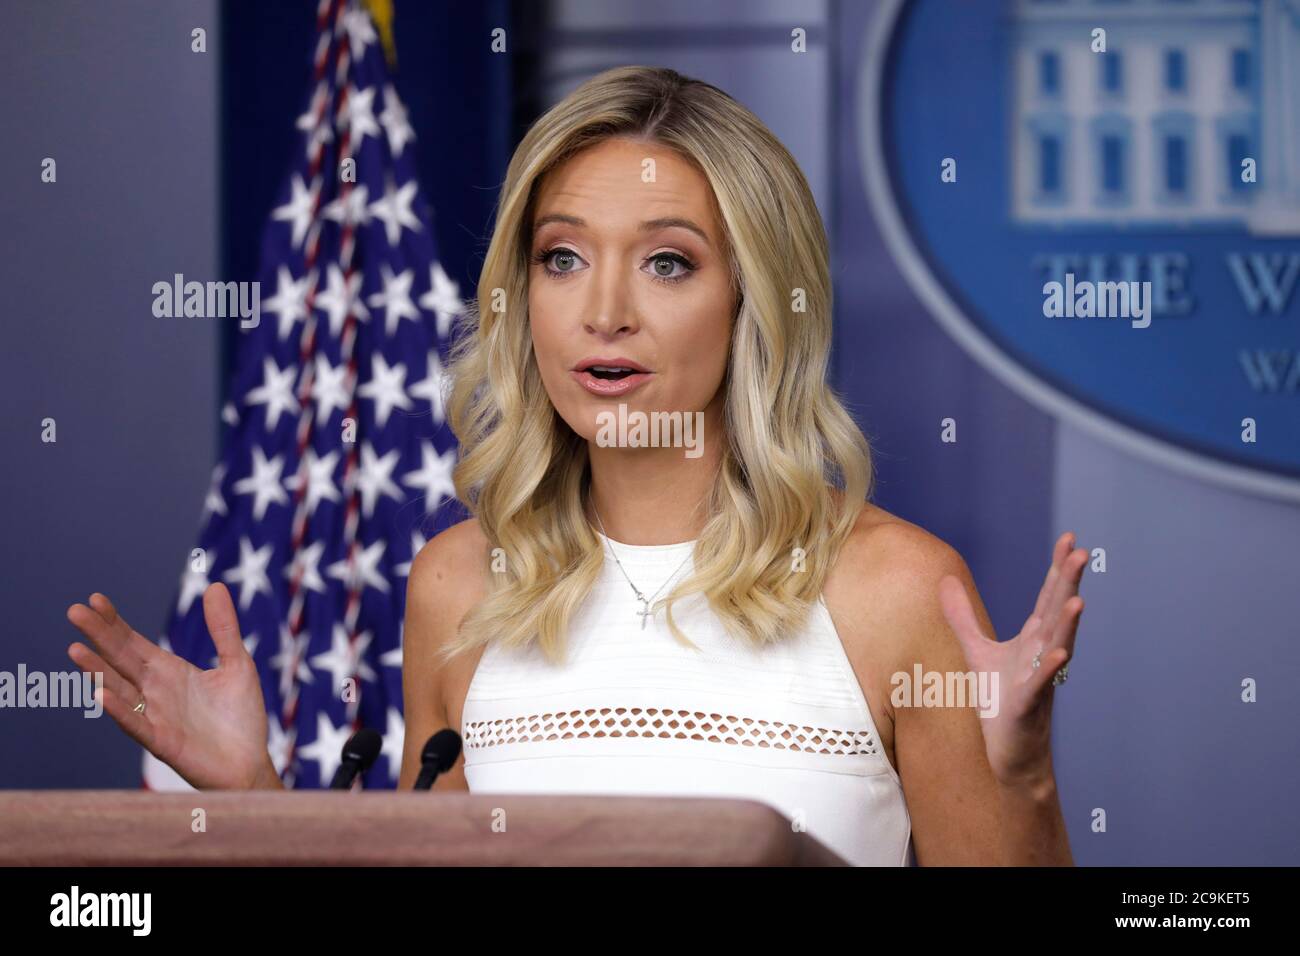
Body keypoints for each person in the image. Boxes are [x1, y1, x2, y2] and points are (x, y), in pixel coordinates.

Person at [66, 66, 1084, 866]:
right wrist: (252, 799)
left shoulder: (899, 589)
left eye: (667, 261)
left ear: (754, 302)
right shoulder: (457, 584)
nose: (603, 309)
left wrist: (1022, 778)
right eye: (561, 256)